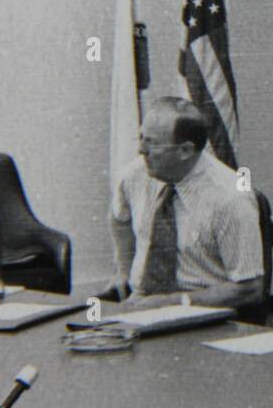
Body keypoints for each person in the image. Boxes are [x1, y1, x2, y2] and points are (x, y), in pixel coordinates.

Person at [107, 97, 263, 309]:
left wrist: (174, 303)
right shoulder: (135, 175)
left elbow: (250, 289)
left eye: (152, 143)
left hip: (201, 312)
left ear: (185, 151)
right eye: (141, 138)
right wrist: (123, 271)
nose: (141, 150)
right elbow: (119, 218)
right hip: (138, 304)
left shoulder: (230, 197)